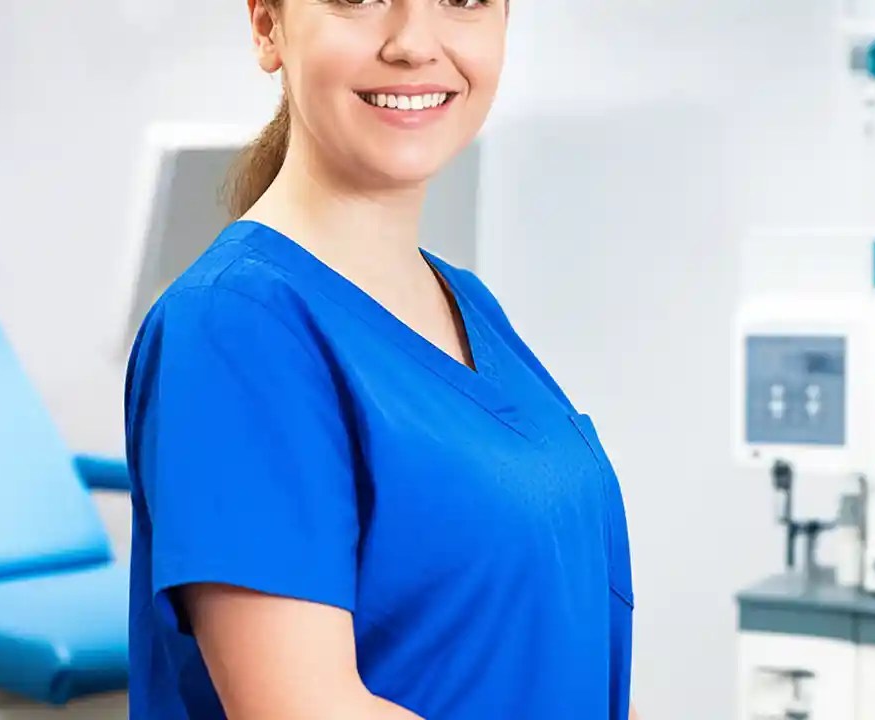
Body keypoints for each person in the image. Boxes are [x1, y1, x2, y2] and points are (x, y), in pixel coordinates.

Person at [123, 1, 638, 718]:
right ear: (267, 25)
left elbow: (572, 655)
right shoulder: (234, 328)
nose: (413, 44)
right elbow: (304, 709)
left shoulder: (470, 306)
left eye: (462, 0)